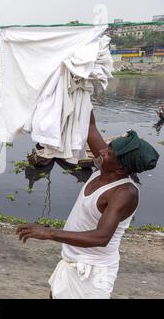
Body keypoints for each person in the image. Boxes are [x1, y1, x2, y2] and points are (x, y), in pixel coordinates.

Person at [16, 111, 160, 299]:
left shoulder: (124, 193)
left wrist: (48, 233)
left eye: (109, 152)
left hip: (92, 273)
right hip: (71, 262)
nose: (102, 151)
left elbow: (101, 237)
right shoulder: (105, 168)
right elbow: (90, 127)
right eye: (108, 147)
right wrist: (81, 89)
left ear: (122, 167)